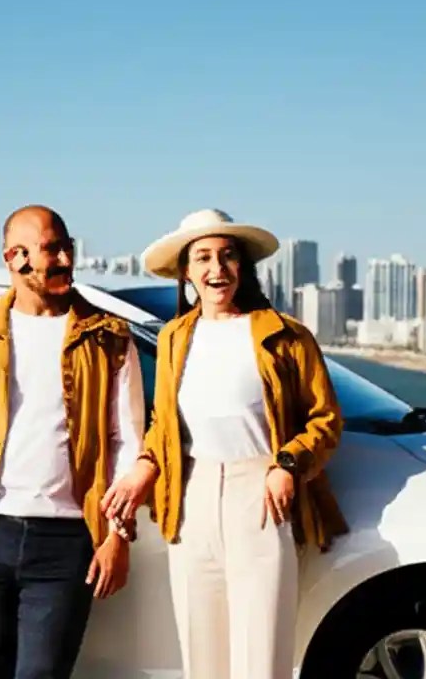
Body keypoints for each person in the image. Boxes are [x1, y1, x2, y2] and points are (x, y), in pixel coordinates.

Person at [100, 208, 348, 679]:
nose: (217, 269)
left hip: (258, 496)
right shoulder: (174, 338)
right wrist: (141, 471)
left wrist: (288, 465)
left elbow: (326, 419)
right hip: (191, 499)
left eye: (227, 256)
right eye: (204, 258)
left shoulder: (286, 336)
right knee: (202, 656)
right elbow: (165, 426)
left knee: (261, 654)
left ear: (243, 266)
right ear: (187, 271)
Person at [0, 204, 146, 679]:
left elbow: (127, 439)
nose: (65, 259)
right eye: (50, 250)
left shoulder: (109, 337)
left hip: (66, 543)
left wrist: (117, 535)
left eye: (66, 247)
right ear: (15, 258)